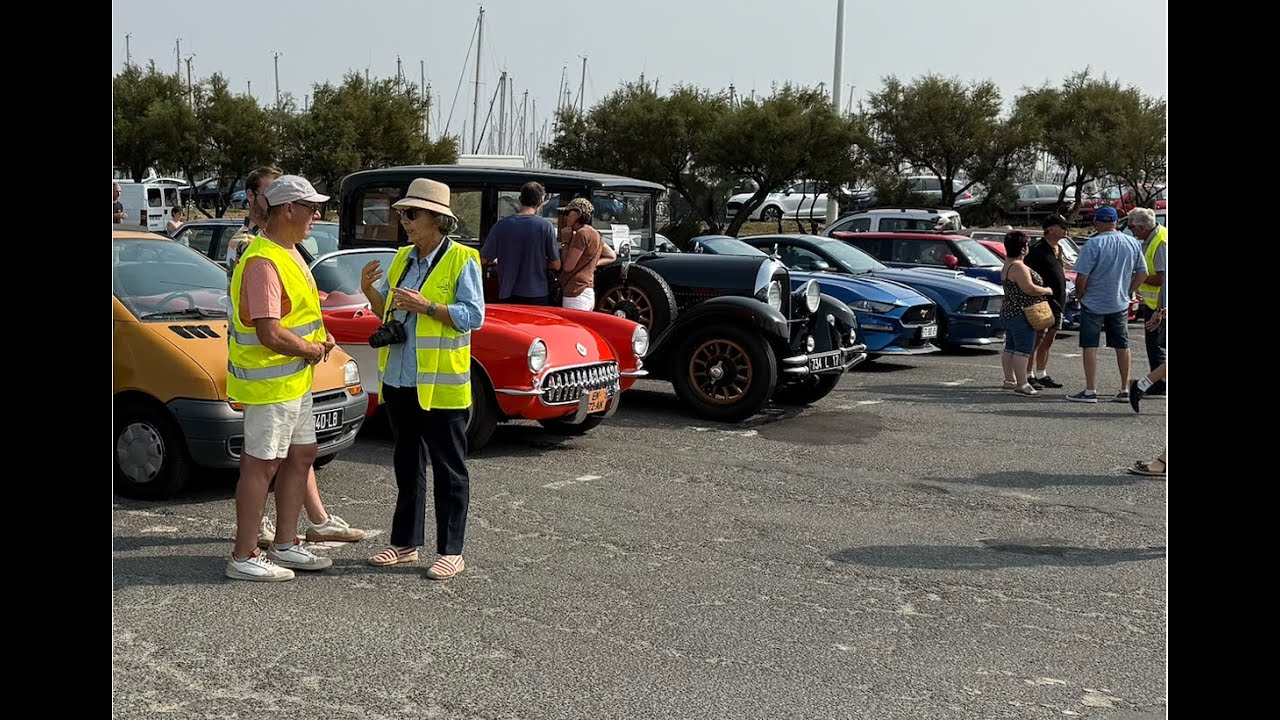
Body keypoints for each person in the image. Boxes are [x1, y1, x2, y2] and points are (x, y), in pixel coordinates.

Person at [228, 165, 366, 550]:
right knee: (262, 465)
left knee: (302, 453)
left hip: (293, 380)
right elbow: (269, 331)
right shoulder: (263, 259)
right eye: (311, 207)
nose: (317, 215)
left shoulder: (288, 252)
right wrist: (311, 349)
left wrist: (320, 338)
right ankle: (245, 553)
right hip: (271, 382)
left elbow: (296, 315)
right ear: (288, 209)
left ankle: (287, 543)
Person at [360, 178, 485, 580]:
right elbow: (387, 311)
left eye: (411, 214)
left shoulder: (462, 258)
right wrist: (368, 291)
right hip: (400, 379)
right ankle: (405, 543)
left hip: (441, 384)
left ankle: (452, 550)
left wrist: (428, 306)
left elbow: (474, 316)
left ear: (436, 218)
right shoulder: (402, 258)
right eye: (402, 214)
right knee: (406, 463)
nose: (405, 221)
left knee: (449, 469)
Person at [1065, 206, 1148, 403]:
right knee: (1122, 345)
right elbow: (1142, 272)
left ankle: (1090, 390)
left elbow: (1082, 276)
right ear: (1115, 222)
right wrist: (1129, 290)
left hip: (1093, 301)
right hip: (1119, 302)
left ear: (1097, 223)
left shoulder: (1093, 244)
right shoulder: (1132, 242)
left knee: (1090, 345)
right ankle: (1124, 388)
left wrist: (1080, 294)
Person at [479, 181, 560, 304]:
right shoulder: (546, 227)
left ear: (520, 199)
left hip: (508, 292)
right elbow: (556, 265)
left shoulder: (501, 225)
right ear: (540, 202)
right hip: (537, 294)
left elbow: (483, 259)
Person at [998, 231, 1055, 396]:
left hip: (1009, 310)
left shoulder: (1008, 264)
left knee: (1010, 347)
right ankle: (1022, 383)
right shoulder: (1018, 266)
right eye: (1026, 245)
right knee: (1023, 349)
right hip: (1022, 312)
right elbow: (1028, 288)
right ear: (1023, 249)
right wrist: (1047, 290)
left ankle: (1009, 380)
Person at [1023, 214, 1070, 389]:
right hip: (1042, 300)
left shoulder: (1058, 248)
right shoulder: (1036, 250)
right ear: (1050, 229)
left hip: (1058, 300)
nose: (1066, 229)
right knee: (1037, 337)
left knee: (1050, 337)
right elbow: (1028, 275)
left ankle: (1042, 373)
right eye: (1062, 226)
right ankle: (1028, 374)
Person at [1126, 207, 1167, 395]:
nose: (1131, 231)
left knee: (1157, 346)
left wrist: (1139, 277)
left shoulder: (1160, 242)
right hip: (1155, 303)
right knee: (1155, 345)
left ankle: (1159, 384)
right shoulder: (1153, 238)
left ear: (1142, 227)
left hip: (1160, 304)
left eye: (1131, 227)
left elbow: (1161, 278)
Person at [557, 198, 616, 311]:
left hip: (575, 291)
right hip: (587, 290)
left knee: (572, 322)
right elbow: (611, 256)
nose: (566, 217)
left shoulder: (581, 234)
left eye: (569, 213)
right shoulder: (595, 233)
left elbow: (568, 267)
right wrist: (592, 264)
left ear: (578, 214)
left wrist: (566, 242)